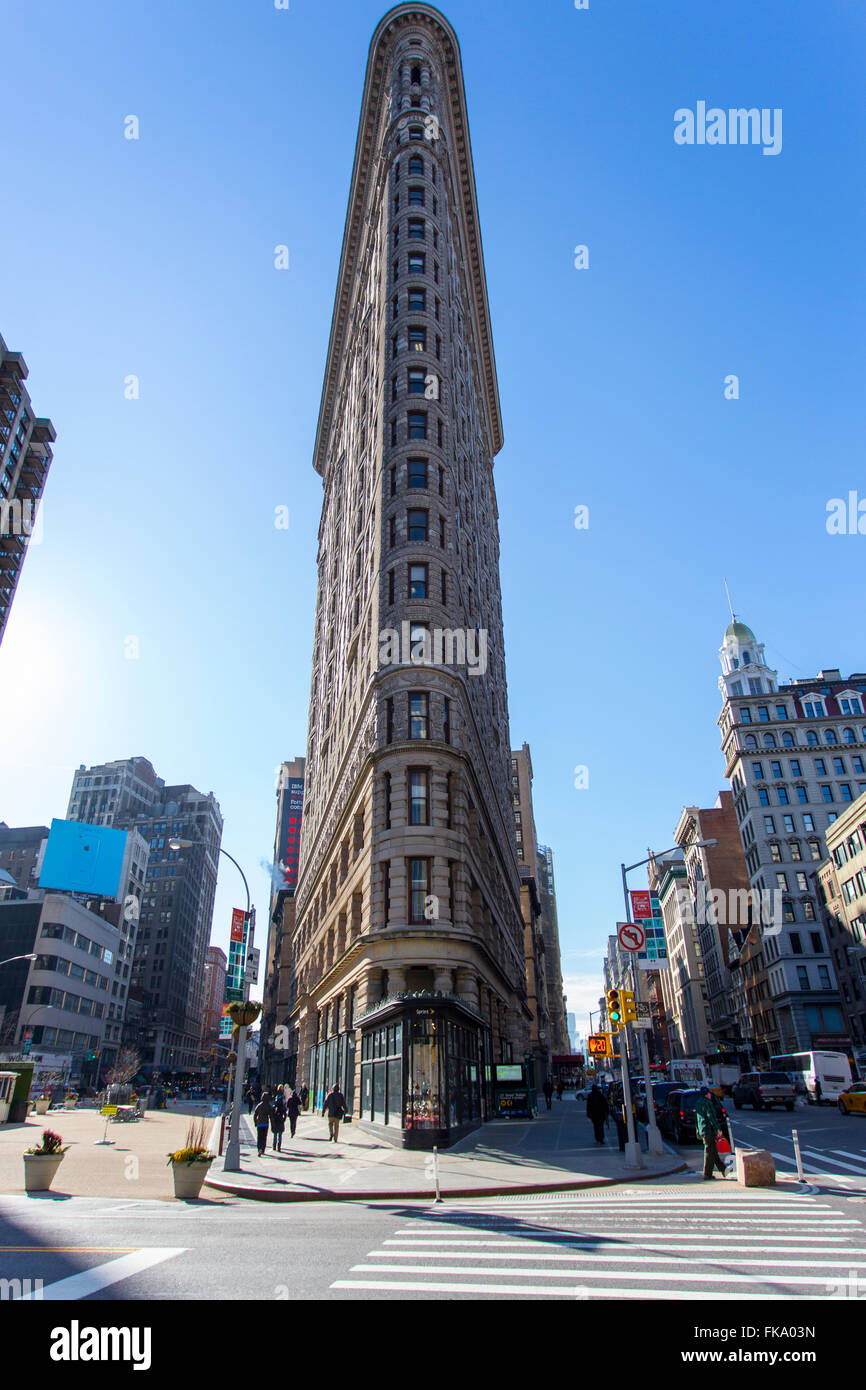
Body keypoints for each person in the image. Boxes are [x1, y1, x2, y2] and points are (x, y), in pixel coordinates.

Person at [696, 1087, 728, 1180]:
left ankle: (723, 1170)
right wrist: (718, 1129)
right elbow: (711, 1117)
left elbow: (697, 1118)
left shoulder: (698, 1103)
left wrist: (697, 1130)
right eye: (709, 1093)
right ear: (706, 1094)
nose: (710, 1095)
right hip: (709, 1130)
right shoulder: (707, 1102)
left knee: (713, 1151)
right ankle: (707, 1174)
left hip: (703, 1130)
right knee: (710, 1153)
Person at [253, 1091, 272, 1158]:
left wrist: (255, 1122)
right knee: (264, 1137)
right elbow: (271, 1116)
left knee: (259, 1137)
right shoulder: (269, 1106)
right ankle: (263, 1149)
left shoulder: (259, 1105)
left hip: (259, 1123)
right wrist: (272, 1124)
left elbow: (255, 1114)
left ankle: (259, 1149)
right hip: (265, 1124)